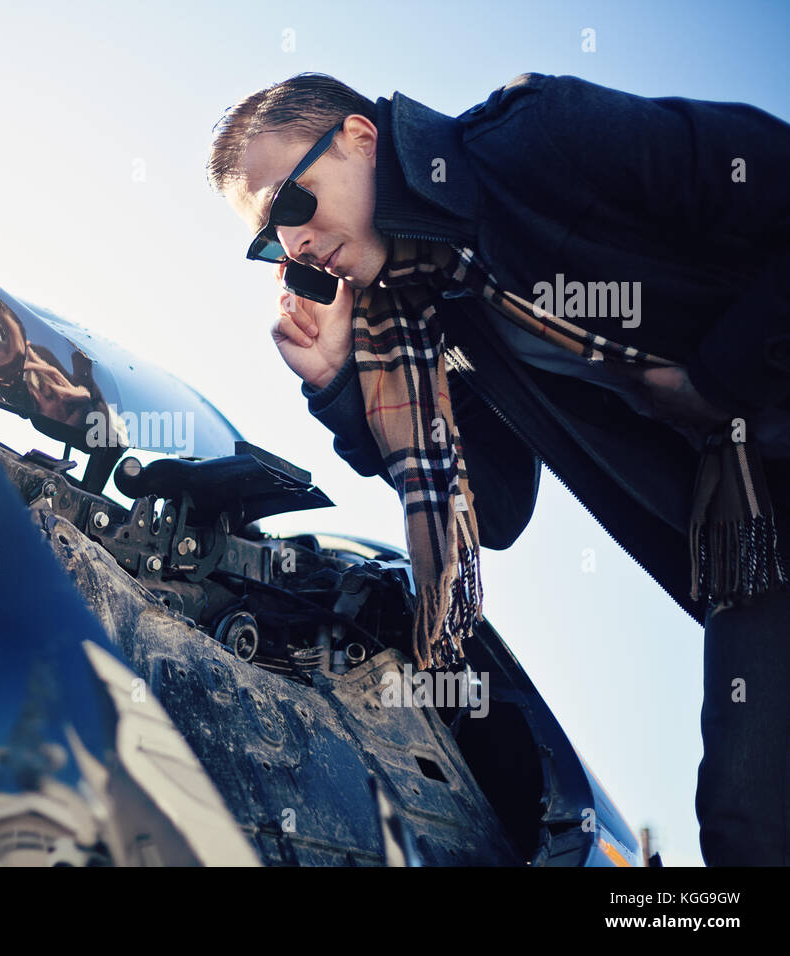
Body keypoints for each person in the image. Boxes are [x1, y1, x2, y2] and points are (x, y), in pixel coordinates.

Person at [205, 71, 790, 865]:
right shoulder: (436, 309)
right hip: (758, 553)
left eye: (291, 206)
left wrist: (714, 380)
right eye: (272, 243)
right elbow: (500, 508)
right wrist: (343, 384)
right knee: (750, 830)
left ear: (360, 139)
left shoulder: (539, 137)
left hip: (765, 457)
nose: (297, 246)